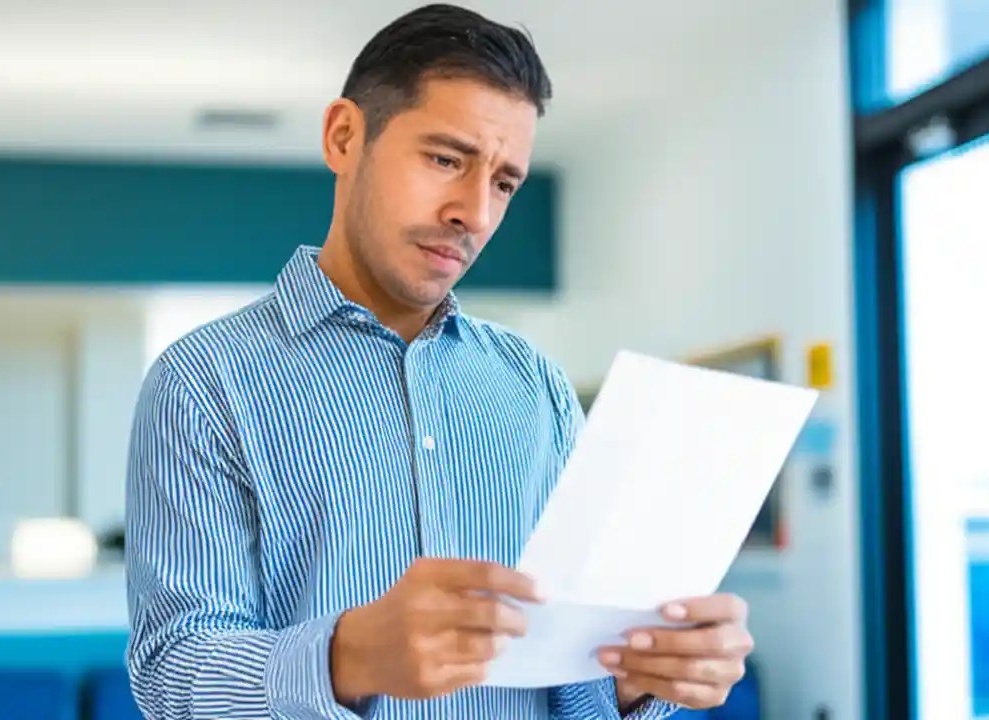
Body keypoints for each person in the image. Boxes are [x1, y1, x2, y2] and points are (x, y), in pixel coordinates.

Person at [124, 4, 753, 718]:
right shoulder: (203, 384)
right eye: (446, 159)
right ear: (343, 136)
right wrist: (349, 655)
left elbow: (568, 673)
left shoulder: (536, 389)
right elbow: (173, 675)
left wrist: (642, 675)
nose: (475, 213)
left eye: (505, 182)